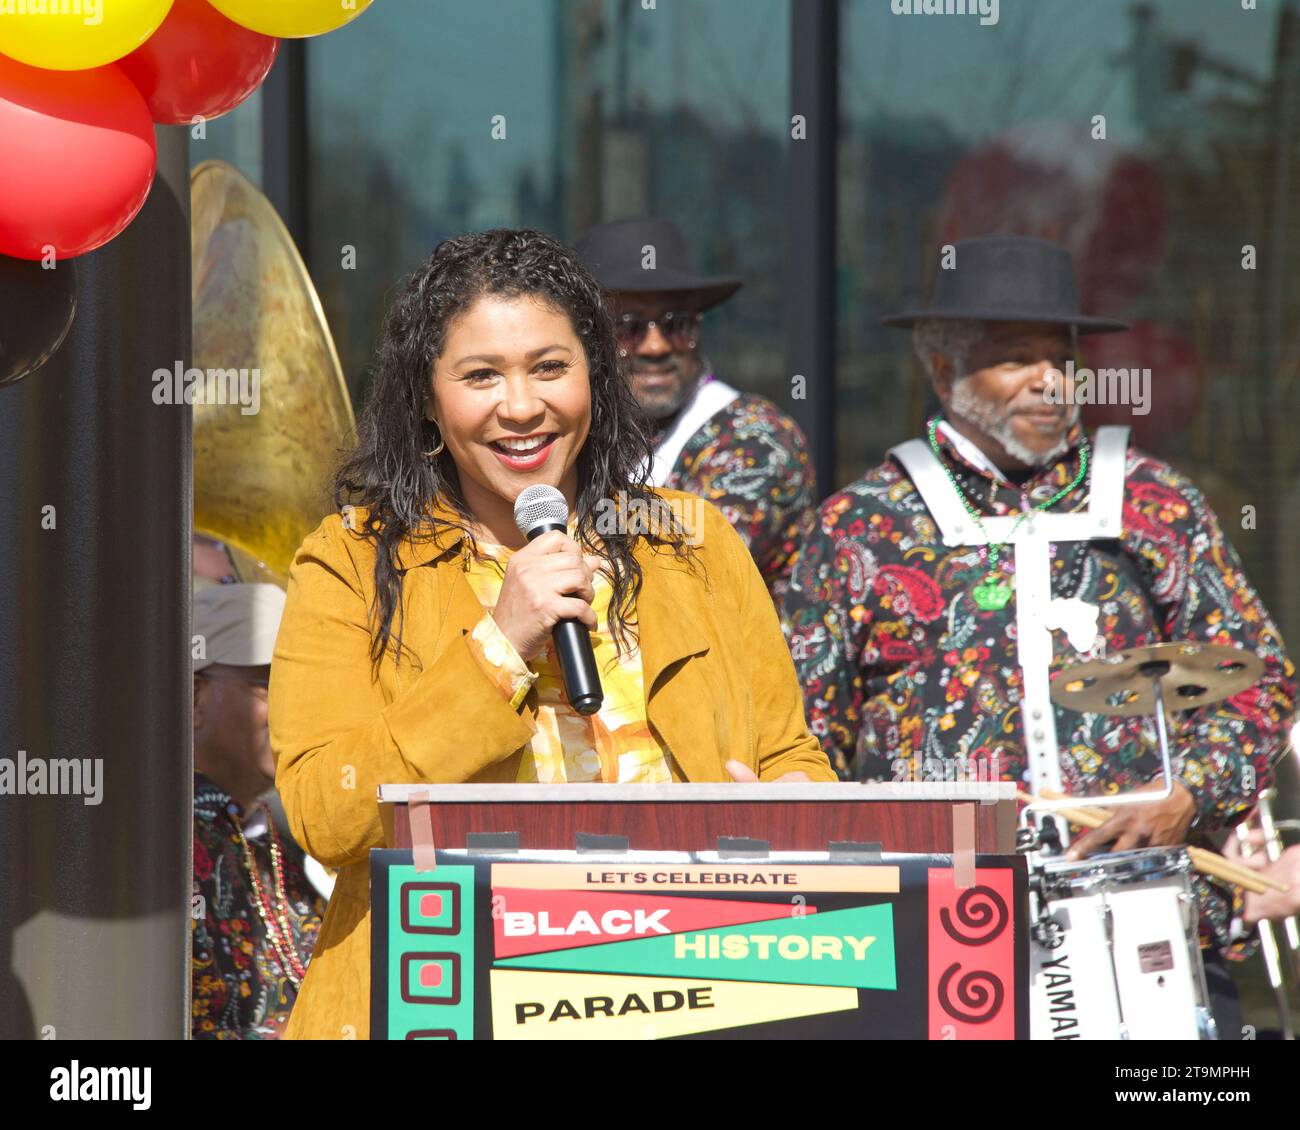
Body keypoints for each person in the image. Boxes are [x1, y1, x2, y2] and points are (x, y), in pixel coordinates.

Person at [268, 227, 835, 1039]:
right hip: (448, 999)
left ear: (594, 380)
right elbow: (326, 813)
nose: (523, 406)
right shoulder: (352, 561)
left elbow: (789, 754)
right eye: (481, 376)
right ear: (427, 398)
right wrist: (498, 647)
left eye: (549, 367)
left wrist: (796, 810)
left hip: (690, 990)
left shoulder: (693, 541)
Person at [780, 235, 1295, 1024]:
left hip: (1145, 922)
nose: (1050, 382)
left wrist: (1188, 795)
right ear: (942, 365)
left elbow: (1259, 685)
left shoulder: (1154, 505)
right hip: (937, 928)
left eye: (1063, 359)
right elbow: (803, 739)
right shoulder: (861, 527)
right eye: (1017, 358)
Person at [574, 217, 815, 601]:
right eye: (627, 327)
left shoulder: (754, 438)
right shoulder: (581, 435)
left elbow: (688, 564)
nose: (655, 347)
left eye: (677, 324)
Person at [191, 583, 325, 1039]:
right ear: (193, 698)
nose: (298, 707)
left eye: (307, 686)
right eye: (271, 683)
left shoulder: (284, 836)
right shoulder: (147, 841)